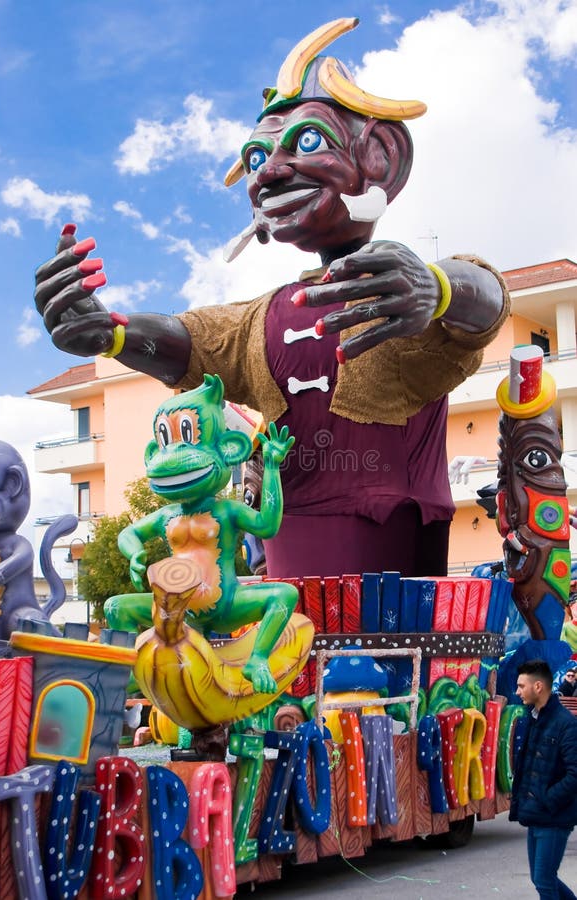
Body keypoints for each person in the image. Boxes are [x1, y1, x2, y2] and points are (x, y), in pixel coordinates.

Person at [34, 18, 509, 579]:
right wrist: (111, 332)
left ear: (380, 156)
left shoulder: (407, 297)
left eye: (306, 143)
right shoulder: (260, 320)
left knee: (384, 655)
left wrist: (441, 287)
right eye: (257, 158)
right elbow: (189, 341)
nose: (272, 171)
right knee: (290, 656)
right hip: (288, 550)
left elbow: (487, 302)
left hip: (395, 552)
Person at [511, 659, 577, 899]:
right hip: (536, 813)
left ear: (538, 686)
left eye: (521, 685)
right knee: (542, 878)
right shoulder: (534, 718)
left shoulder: (566, 724)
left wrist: (546, 799)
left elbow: (575, 774)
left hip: (554, 816)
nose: (517, 691)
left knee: (543, 880)